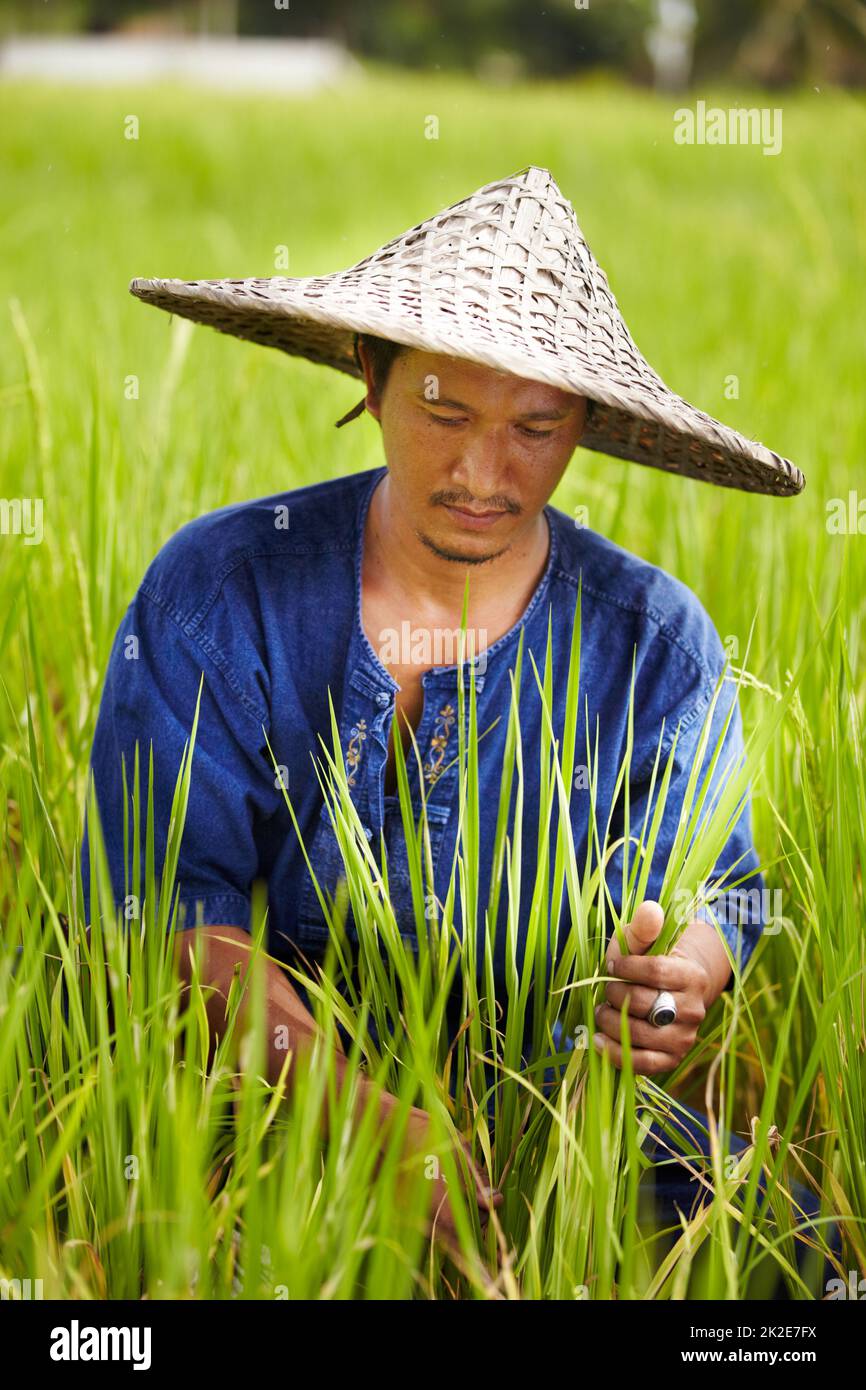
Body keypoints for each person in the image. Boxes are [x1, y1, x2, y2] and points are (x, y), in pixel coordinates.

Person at [83, 166, 811, 1257]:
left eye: (534, 423)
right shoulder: (220, 593)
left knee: (793, 1254)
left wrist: (680, 976)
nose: (482, 470)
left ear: (584, 424)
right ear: (372, 377)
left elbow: (717, 891)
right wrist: (352, 1114)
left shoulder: (653, 644)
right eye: (444, 407)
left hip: (564, 1105)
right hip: (252, 1097)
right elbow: (171, 909)